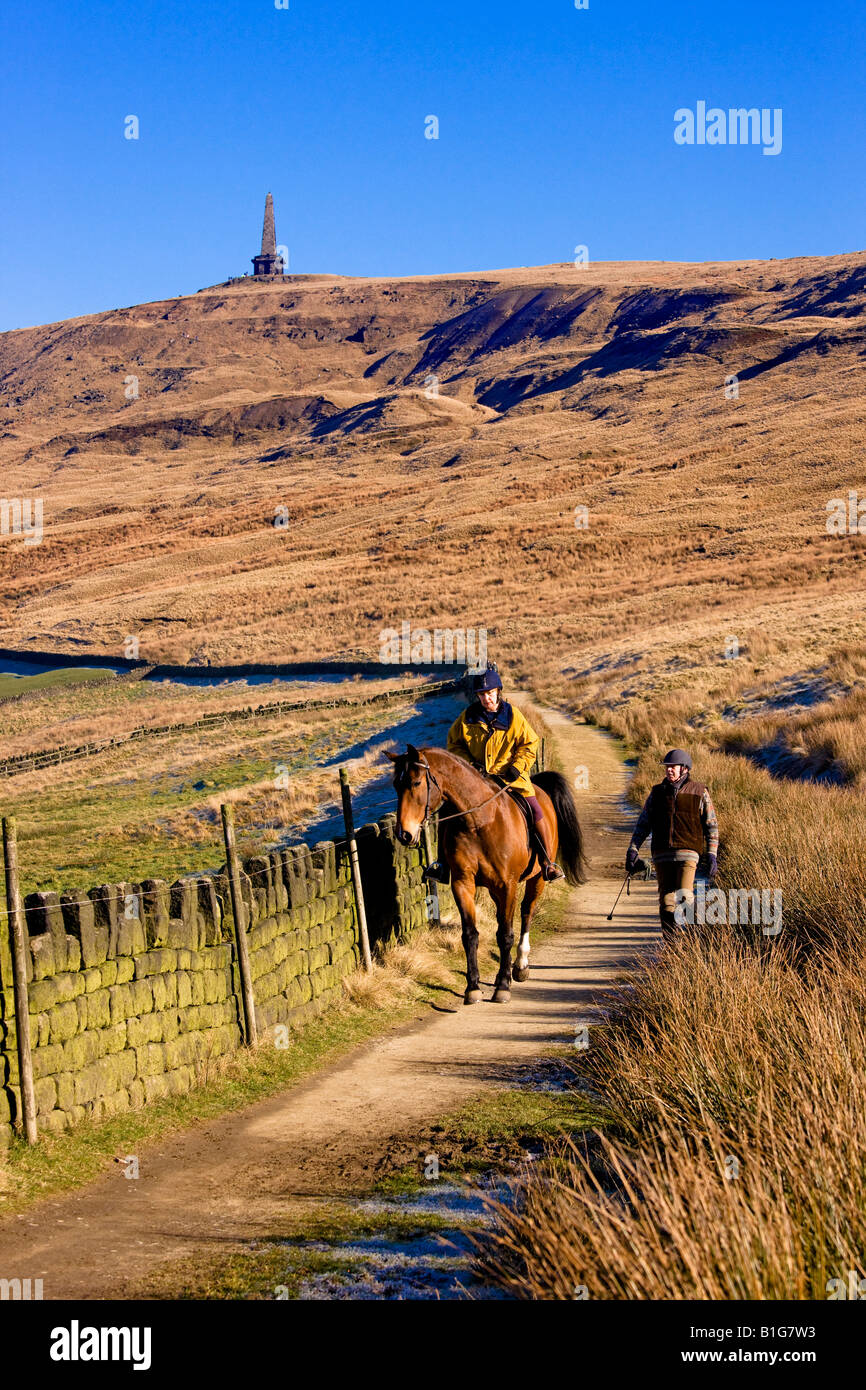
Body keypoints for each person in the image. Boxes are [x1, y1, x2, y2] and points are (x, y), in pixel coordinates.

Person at [424, 667, 564, 883]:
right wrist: (470, 766)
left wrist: (517, 767)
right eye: (482, 694)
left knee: (535, 809)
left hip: (511, 777)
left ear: (498, 691)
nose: (486, 698)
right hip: (477, 780)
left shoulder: (513, 716)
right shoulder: (467, 718)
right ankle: (442, 865)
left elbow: (530, 743)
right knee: (447, 810)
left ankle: (548, 863)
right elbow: (454, 744)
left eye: (490, 693)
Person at [626, 748, 719, 937]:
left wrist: (711, 854)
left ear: (685, 769)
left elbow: (711, 826)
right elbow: (643, 824)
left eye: (673, 767)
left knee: (684, 894)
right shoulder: (657, 793)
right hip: (662, 854)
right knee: (666, 900)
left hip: (688, 852)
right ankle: (670, 945)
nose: (669, 770)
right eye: (667, 767)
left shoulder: (699, 791)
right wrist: (633, 849)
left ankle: (695, 939)